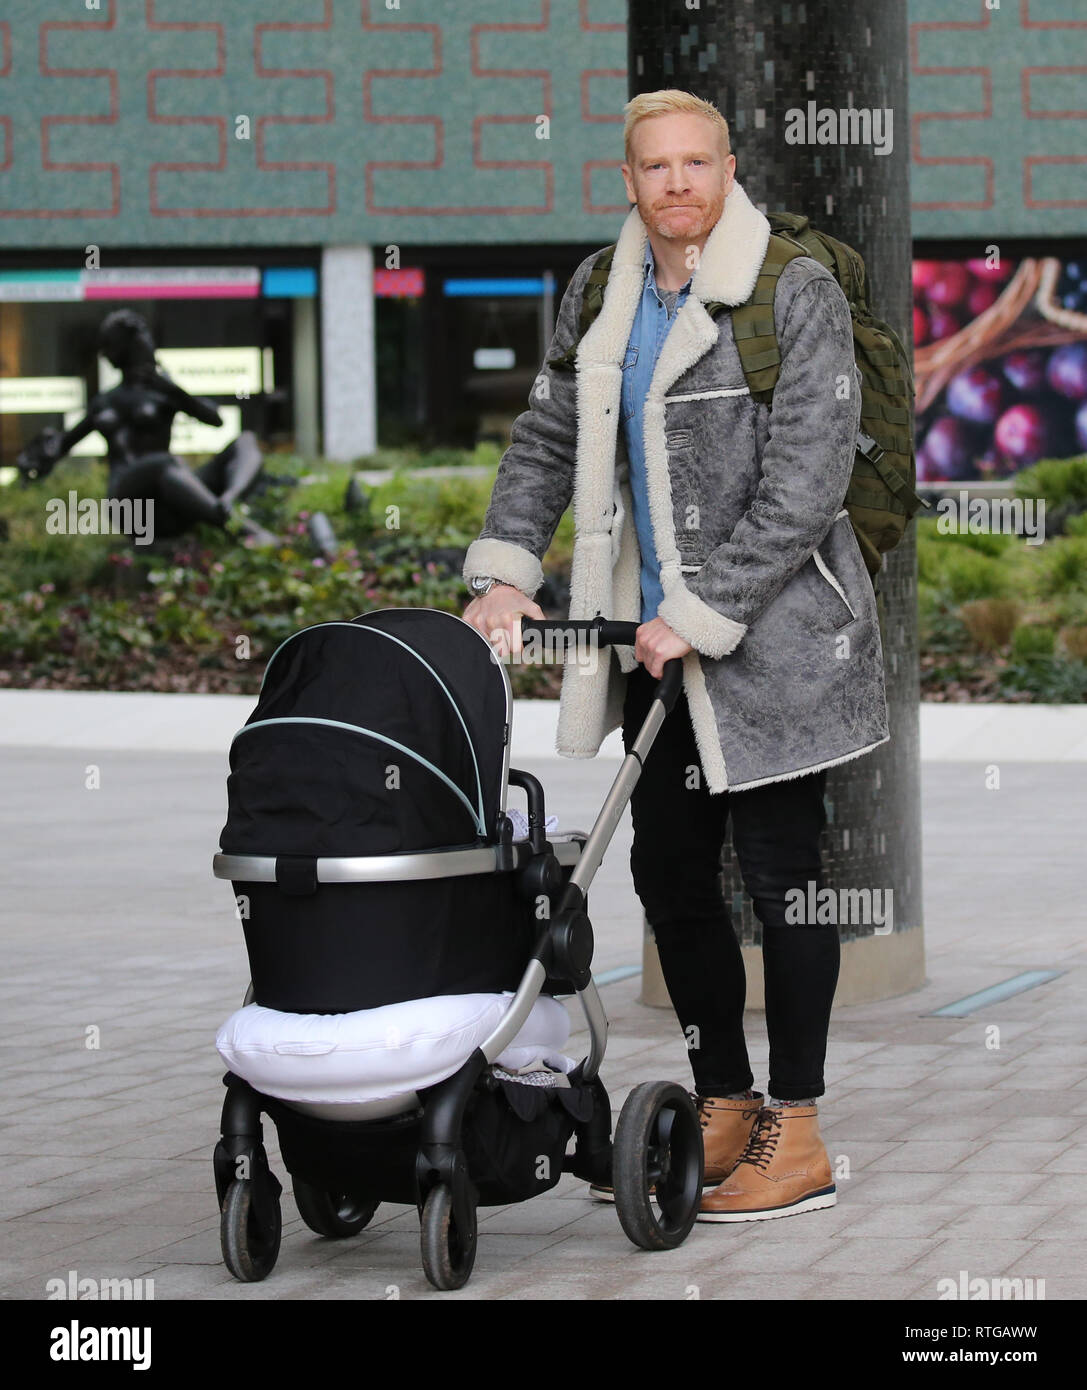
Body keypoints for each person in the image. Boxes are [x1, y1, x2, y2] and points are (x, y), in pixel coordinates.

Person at [462, 89, 889, 1223]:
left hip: (781, 644)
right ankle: (722, 1099)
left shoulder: (787, 289)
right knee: (667, 880)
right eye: (656, 165)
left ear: (729, 167)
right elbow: (550, 431)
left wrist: (700, 610)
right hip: (651, 650)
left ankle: (795, 1128)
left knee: (786, 882)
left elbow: (807, 483)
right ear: (629, 178)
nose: (678, 182)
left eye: (697, 162)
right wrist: (507, 566)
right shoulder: (600, 294)